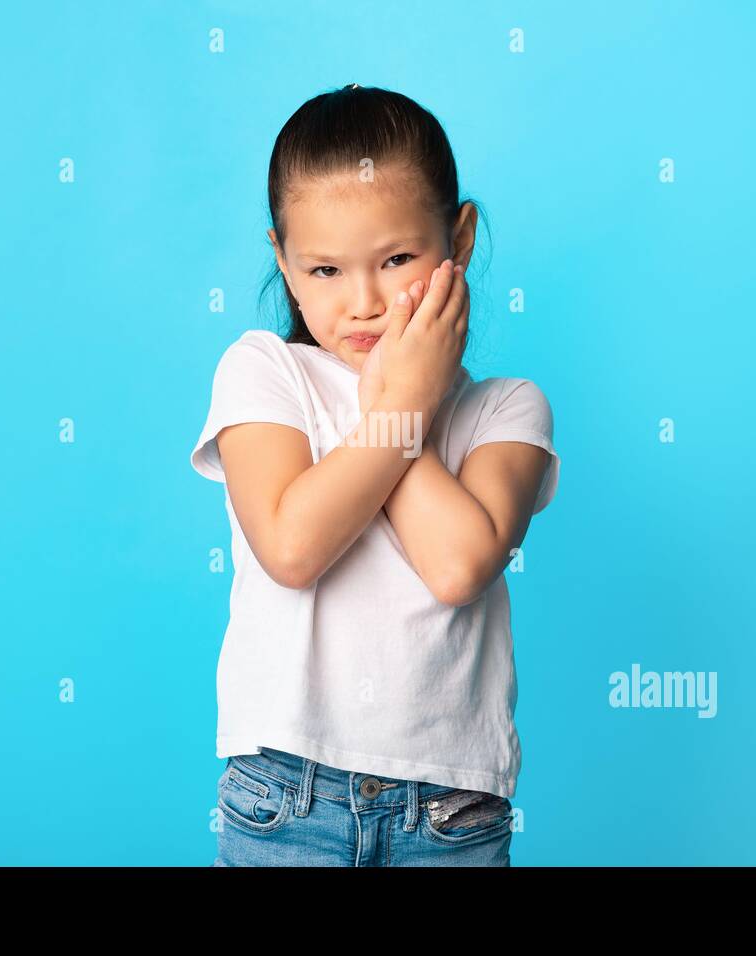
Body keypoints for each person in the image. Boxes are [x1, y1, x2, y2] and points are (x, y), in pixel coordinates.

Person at [190, 83, 561, 866]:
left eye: (397, 260)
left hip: (450, 818)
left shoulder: (507, 411)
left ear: (458, 239)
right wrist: (396, 405)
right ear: (283, 264)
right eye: (324, 269)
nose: (361, 303)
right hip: (285, 800)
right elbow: (293, 547)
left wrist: (406, 401)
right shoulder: (265, 374)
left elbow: (458, 564)